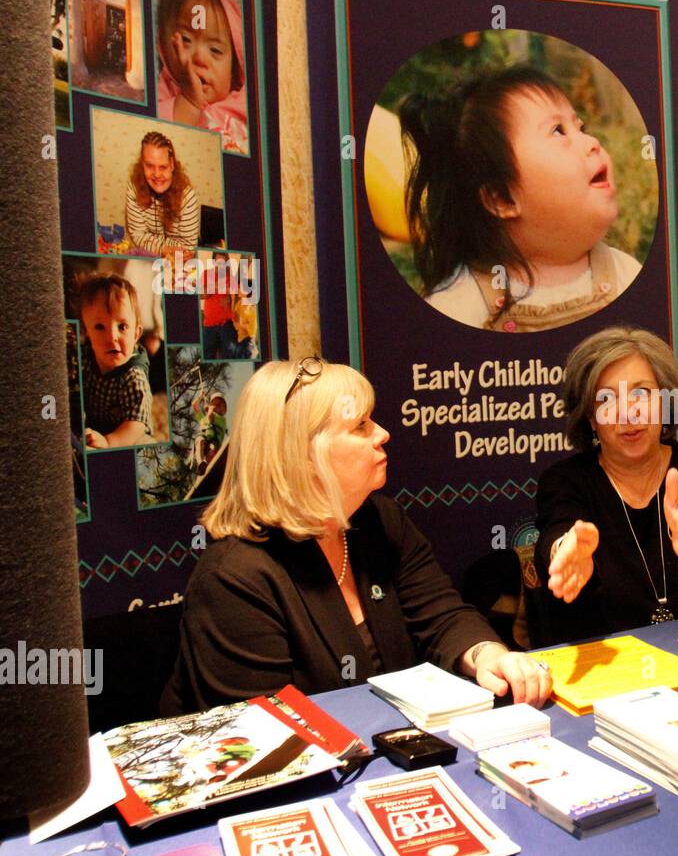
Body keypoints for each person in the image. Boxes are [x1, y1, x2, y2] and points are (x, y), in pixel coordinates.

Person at [162, 358, 552, 714]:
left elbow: (441, 615)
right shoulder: (233, 577)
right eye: (360, 426)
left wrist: (488, 655)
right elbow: (264, 729)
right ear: (303, 455)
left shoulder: (380, 520)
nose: (383, 433)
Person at [535, 328, 678, 641]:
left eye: (641, 393)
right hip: (614, 661)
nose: (628, 412)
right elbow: (557, 531)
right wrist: (565, 551)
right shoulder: (566, 480)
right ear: (590, 417)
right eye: (607, 398)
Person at [400, 65, 640, 332]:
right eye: (558, 131)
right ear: (502, 199)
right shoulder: (460, 305)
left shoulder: (624, 274)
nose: (592, 142)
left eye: (580, 127)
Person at [155, 0, 249, 155]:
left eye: (215, 50)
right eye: (185, 40)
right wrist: (188, 101)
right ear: (164, 49)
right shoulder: (164, 92)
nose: (200, 58)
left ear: (233, 69)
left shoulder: (245, 102)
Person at [79, 274, 152, 449]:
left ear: (136, 334)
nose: (112, 337)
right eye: (99, 327)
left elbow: (136, 424)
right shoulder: (85, 357)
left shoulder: (134, 377)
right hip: (97, 425)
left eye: (122, 327)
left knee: (144, 443)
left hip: (128, 436)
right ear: (86, 331)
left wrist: (110, 442)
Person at [125, 131, 199, 257]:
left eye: (163, 167)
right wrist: (164, 249)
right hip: (147, 256)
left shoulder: (188, 197)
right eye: (149, 166)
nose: (157, 174)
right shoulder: (134, 188)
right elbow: (138, 235)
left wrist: (151, 242)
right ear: (142, 164)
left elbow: (188, 249)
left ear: (172, 165)